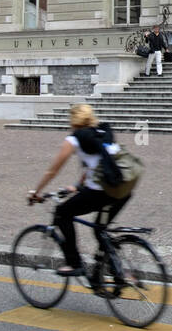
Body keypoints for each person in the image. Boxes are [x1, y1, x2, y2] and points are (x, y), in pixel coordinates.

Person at [28, 104, 129, 278]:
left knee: (62, 213)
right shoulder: (102, 133)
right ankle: (114, 271)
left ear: (73, 120)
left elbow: (52, 171)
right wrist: (76, 186)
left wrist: (36, 192)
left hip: (101, 192)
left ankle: (74, 263)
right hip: (124, 188)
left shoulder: (74, 138)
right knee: (99, 229)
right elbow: (99, 164)